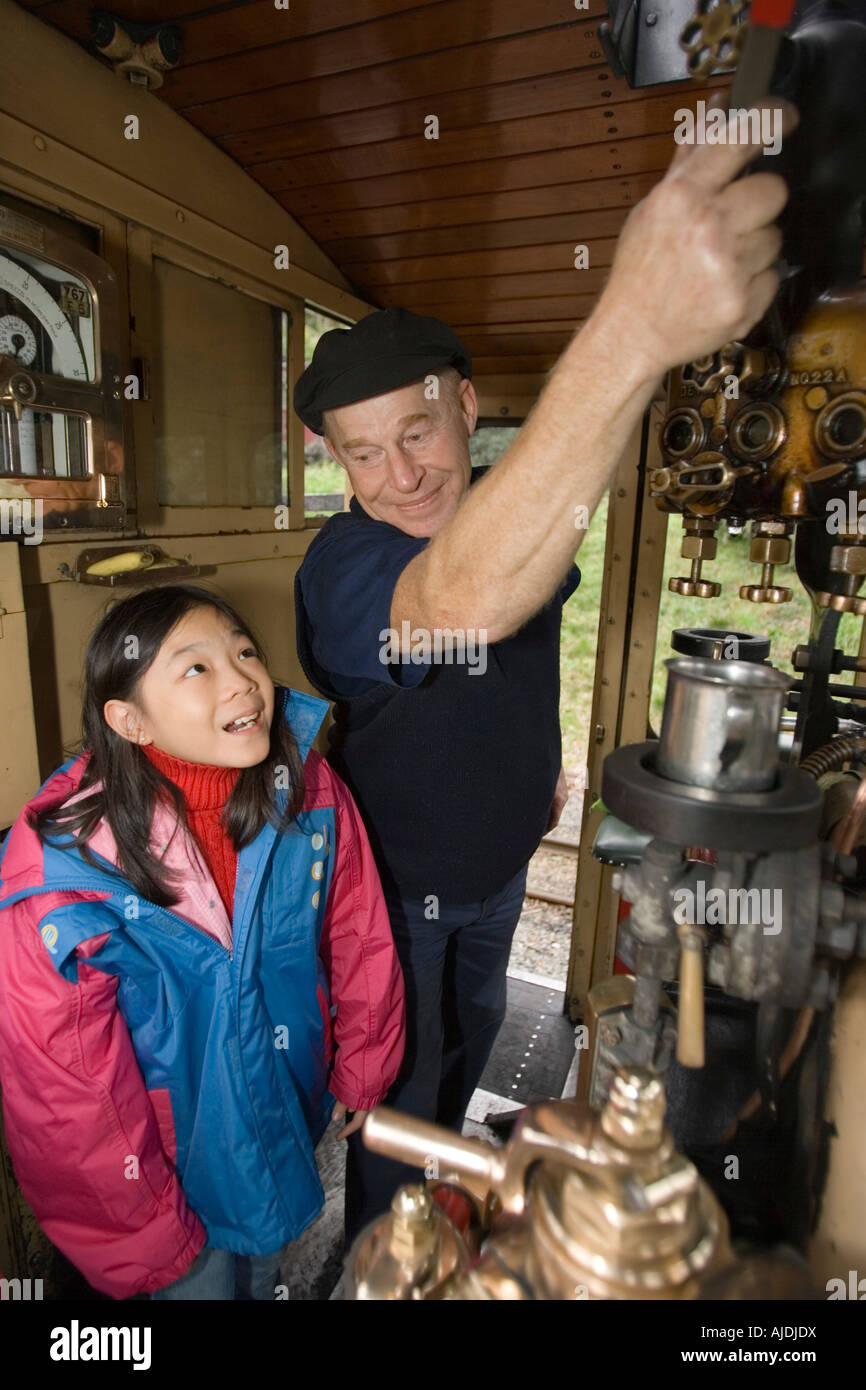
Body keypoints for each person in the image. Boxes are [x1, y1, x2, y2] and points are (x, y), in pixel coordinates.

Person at [292, 100, 798, 1242]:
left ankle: (448, 1215)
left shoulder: (512, 522)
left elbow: (515, 627)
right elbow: (457, 608)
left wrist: (546, 767)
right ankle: (392, 1253)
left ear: (464, 407)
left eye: (414, 431)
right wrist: (636, 323)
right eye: (360, 453)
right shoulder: (346, 563)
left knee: (468, 1059)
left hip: (499, 870)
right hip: (398, 891)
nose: (397, 473)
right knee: (399, 1096)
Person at [0, 584, 405, 1299]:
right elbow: (67, 1091)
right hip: (167, 1170)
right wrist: (140, 1232)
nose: (244, 679)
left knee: (263, 1266)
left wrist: (364, 1064)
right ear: (130, 721)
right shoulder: (64, 875)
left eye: (244, 651)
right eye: (197, 668)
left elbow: (358, 929)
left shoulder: (305, 788)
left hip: (285, 1103)